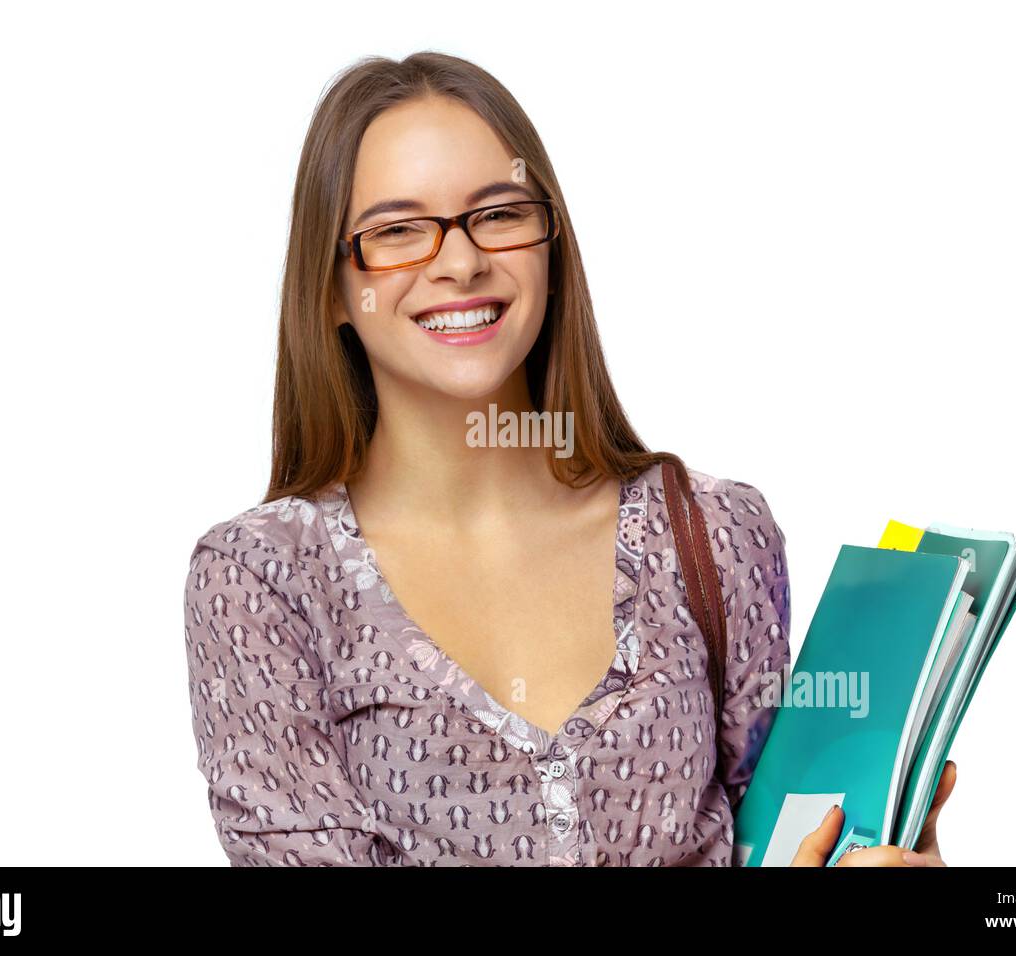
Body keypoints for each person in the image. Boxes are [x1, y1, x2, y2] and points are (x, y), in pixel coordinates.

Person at [180, 51, 955, 866]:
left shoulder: (714, 535)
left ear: (551, 245)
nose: (460, 261)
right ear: (333, 287)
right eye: (397, 231)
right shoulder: (262, 582)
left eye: (499, 213)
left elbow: (782, 841)